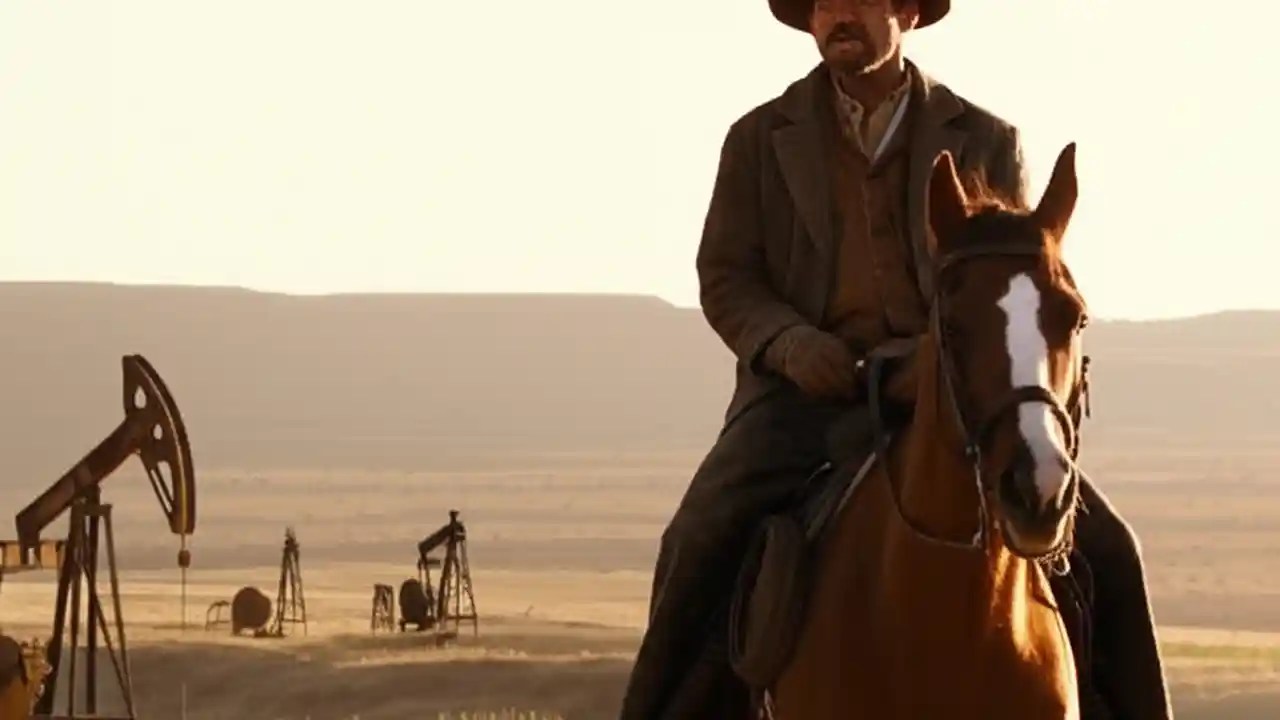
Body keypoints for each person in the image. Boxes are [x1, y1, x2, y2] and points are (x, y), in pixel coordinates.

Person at [617, 0, 1174, 718]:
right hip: (799, 401)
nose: (836, 17)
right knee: (698, 537)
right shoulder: (758, 139)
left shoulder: (987, 139)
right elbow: (726, 277)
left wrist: (931, 356)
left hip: (947, 395)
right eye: (821, 5)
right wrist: (789, 344)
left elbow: (1008, 284)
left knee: (1112, 551)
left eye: (857, 0)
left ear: (906, 12)